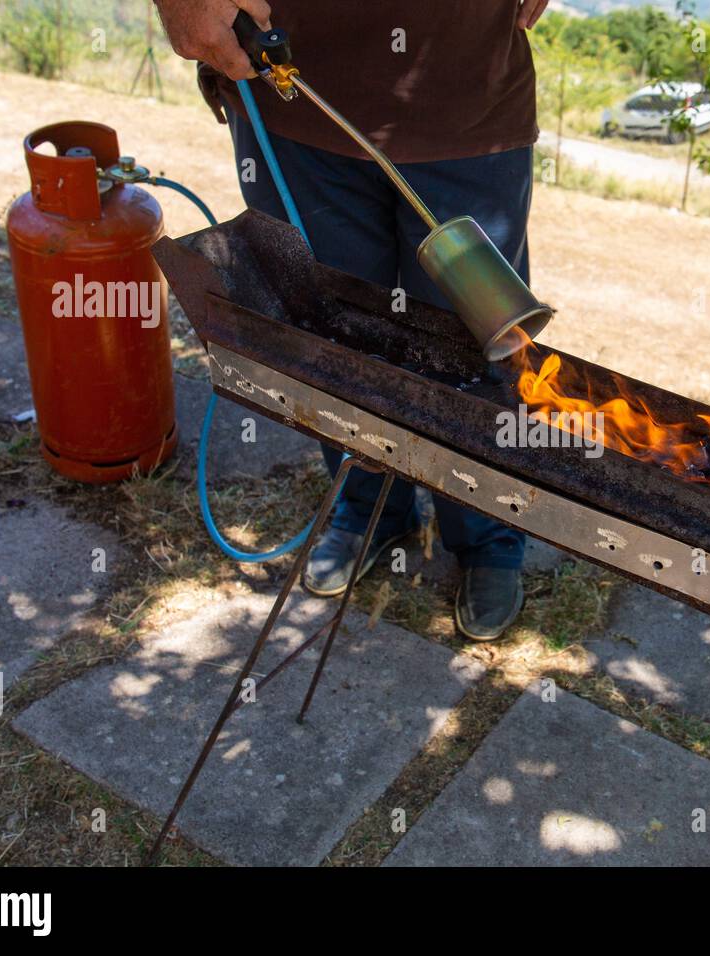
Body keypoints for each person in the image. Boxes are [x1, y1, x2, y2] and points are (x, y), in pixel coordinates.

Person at [154, 0, 549, 640]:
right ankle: (370, 510)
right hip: (289, 93)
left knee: (475, 347)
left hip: (467, 98)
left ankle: (486, 537)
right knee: (329, 340)